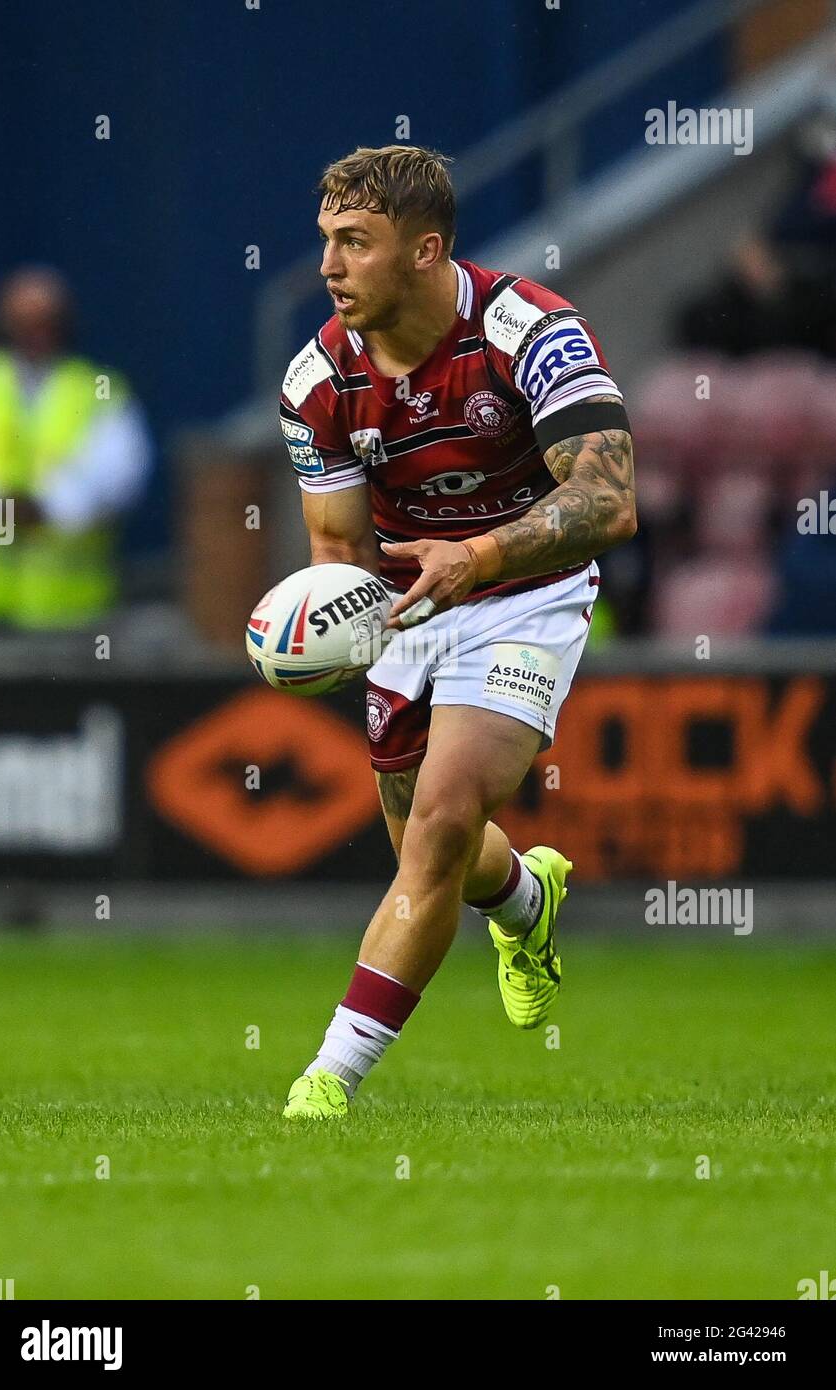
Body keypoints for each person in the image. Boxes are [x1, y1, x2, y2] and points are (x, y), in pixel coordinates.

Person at [278, 146, 635, 1119]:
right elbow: (339, 544)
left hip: (529, 593)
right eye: (326, 242)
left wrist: (475, 559)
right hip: (411, 609)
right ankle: (526, 900)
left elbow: (607, 499)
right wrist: (322, 627)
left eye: (356, 242)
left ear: (426, 251)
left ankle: (328, 1079)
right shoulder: (317, 382)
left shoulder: (531, 332)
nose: (329, 265)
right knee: (432, 851)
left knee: (437, 823)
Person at [0, 266, 152, 628]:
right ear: (2, 323)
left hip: (71, 612)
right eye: (23, 321)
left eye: (46, 320)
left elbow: (116, 480)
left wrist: (47, 508)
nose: (35, 332)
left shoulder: (97, 388)